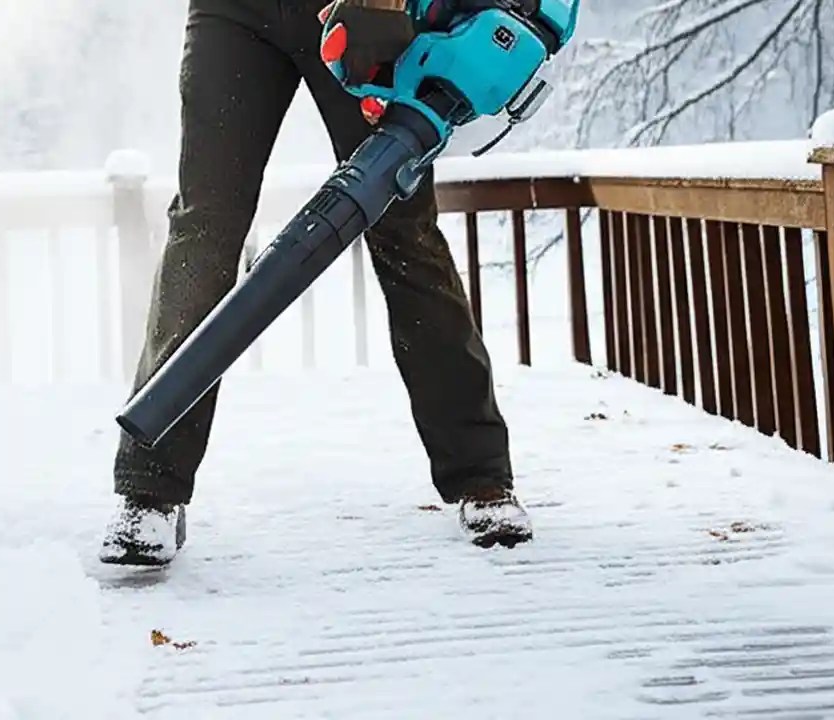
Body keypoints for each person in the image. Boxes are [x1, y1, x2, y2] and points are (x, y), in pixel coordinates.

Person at [99, 0, 533, 567]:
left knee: (404, 228)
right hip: (233, 13)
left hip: (359, 6)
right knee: (203, 226)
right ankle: (149, 489)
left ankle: (481, 477)